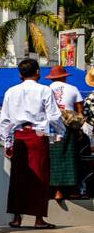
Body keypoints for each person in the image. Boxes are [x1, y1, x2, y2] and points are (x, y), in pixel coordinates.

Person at [0, 57, 63, 229]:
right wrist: (60, 132)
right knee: (40, 177)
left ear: (20, 74)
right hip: (38, 134)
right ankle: (38, 219)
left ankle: (17, 218)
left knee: (18, 178)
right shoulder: (44, 90)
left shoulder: (11, 92)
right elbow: (54, 116)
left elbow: (4, 120)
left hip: (19, 135)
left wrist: (7, 142)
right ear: (37, 72)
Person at [44, 64, 82, 201]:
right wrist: (79, 128)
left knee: (53, 158)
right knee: (70, 157)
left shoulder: (46, 90)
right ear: (64, 77)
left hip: (52, 126)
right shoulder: (74, 89)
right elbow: (80, 111)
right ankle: (72, 190)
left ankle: (56, 191)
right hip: (69, 126)